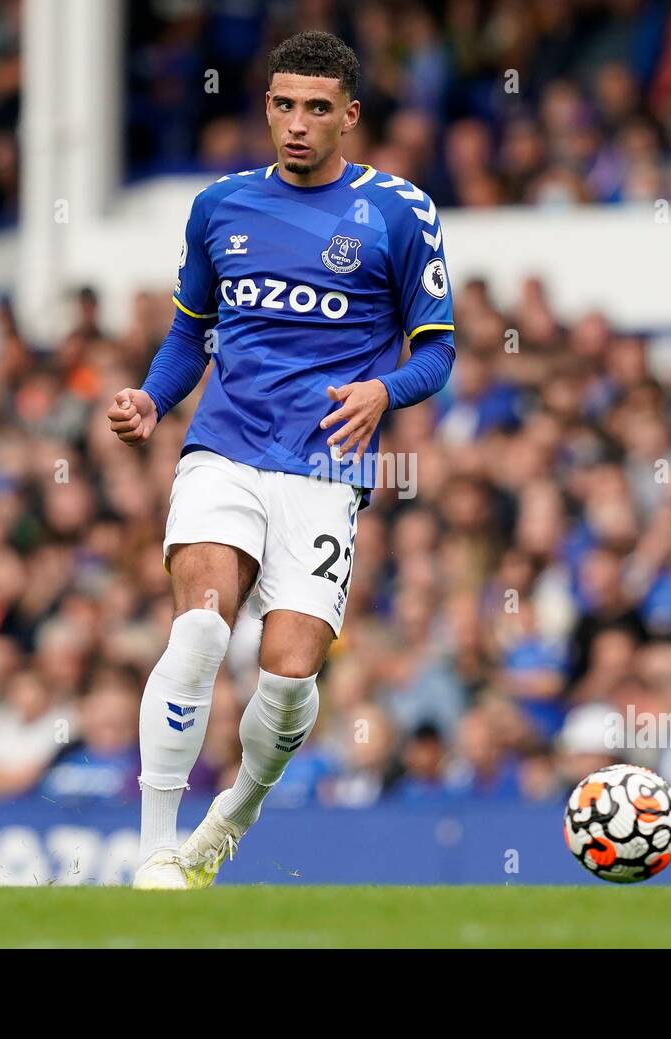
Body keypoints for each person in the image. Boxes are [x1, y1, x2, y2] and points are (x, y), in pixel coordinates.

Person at [106, 31, 456, 889]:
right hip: (222, 447)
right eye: (283, 104)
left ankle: (232, 815)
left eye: (317, 109)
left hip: (325, 470)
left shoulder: (400, 212)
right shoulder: (220, 205)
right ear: (266, 106)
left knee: (290, 678)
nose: (297, 124)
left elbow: (438, 352)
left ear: (350, 116)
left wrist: (385, 392)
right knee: (198, 627)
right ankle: (154, 849)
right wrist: (153, 398)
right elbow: (191, 334)